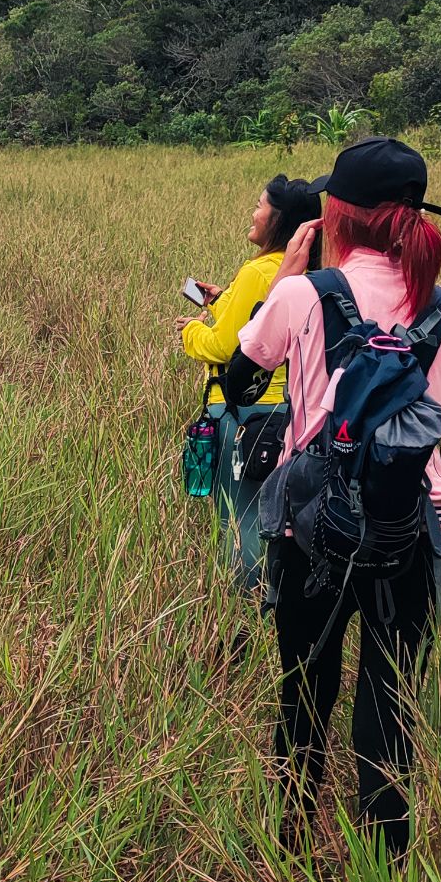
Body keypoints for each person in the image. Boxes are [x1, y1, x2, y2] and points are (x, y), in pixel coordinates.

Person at [224, 138, 441, 860]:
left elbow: (240, 382)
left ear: (337, 213)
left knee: (304, 693)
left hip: (316, 528)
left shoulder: (304, 294)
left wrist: (289, 274)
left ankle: (292, 844)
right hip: (417, 525)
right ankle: (387, 868)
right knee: (389, 698)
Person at [178, 176, 321, 592]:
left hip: (243, 414)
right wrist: (222, 299)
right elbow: (258, 317)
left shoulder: (258, 270)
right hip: (290, 413)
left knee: (240, 519)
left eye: (260, 205)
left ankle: (244, 612)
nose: (254, 212)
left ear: (278, 220)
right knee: (279, 519)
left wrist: (191, 331)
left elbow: (225, 346)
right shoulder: (311, 274)